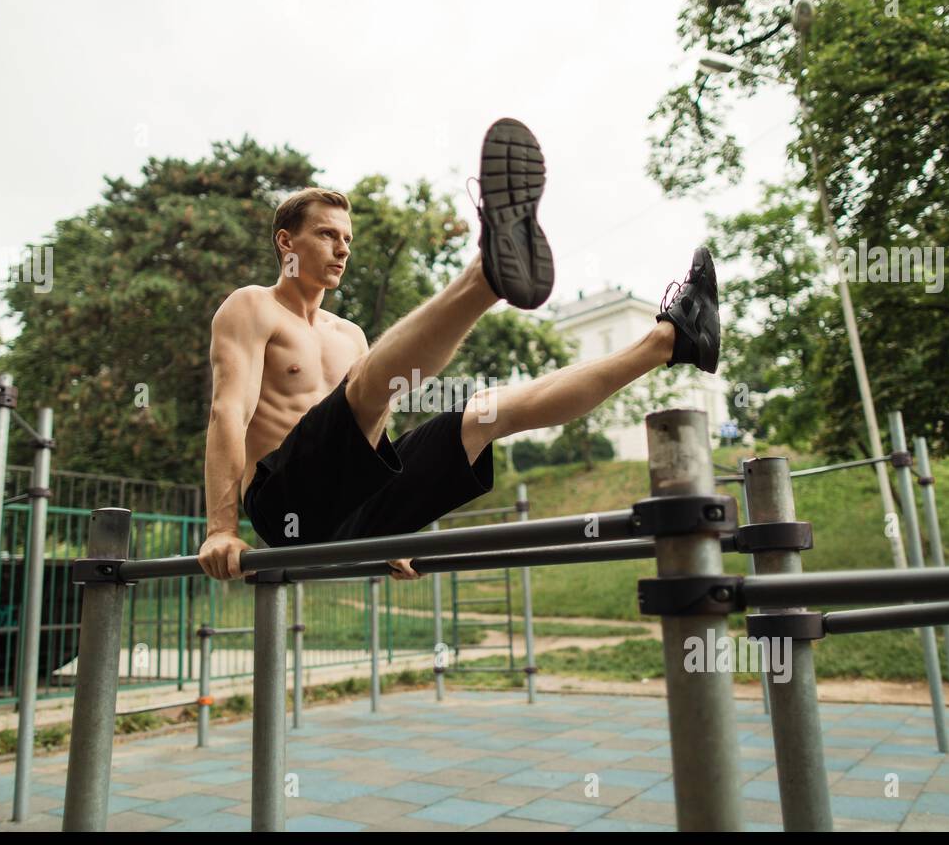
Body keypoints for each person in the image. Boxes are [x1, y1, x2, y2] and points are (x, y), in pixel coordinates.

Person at [197, 118, 720, 582]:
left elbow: (369, 448)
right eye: (326, 234)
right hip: (285, 510)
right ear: (286, 242)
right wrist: (222, 529)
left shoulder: (348, 335)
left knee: (486, 413)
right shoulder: (252, 308)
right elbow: (229, 413)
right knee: (368, 391)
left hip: (351, 512)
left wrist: (387, 530)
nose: (342, 249)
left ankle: (669, 341)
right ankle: (486, 272)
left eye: (348, 240)